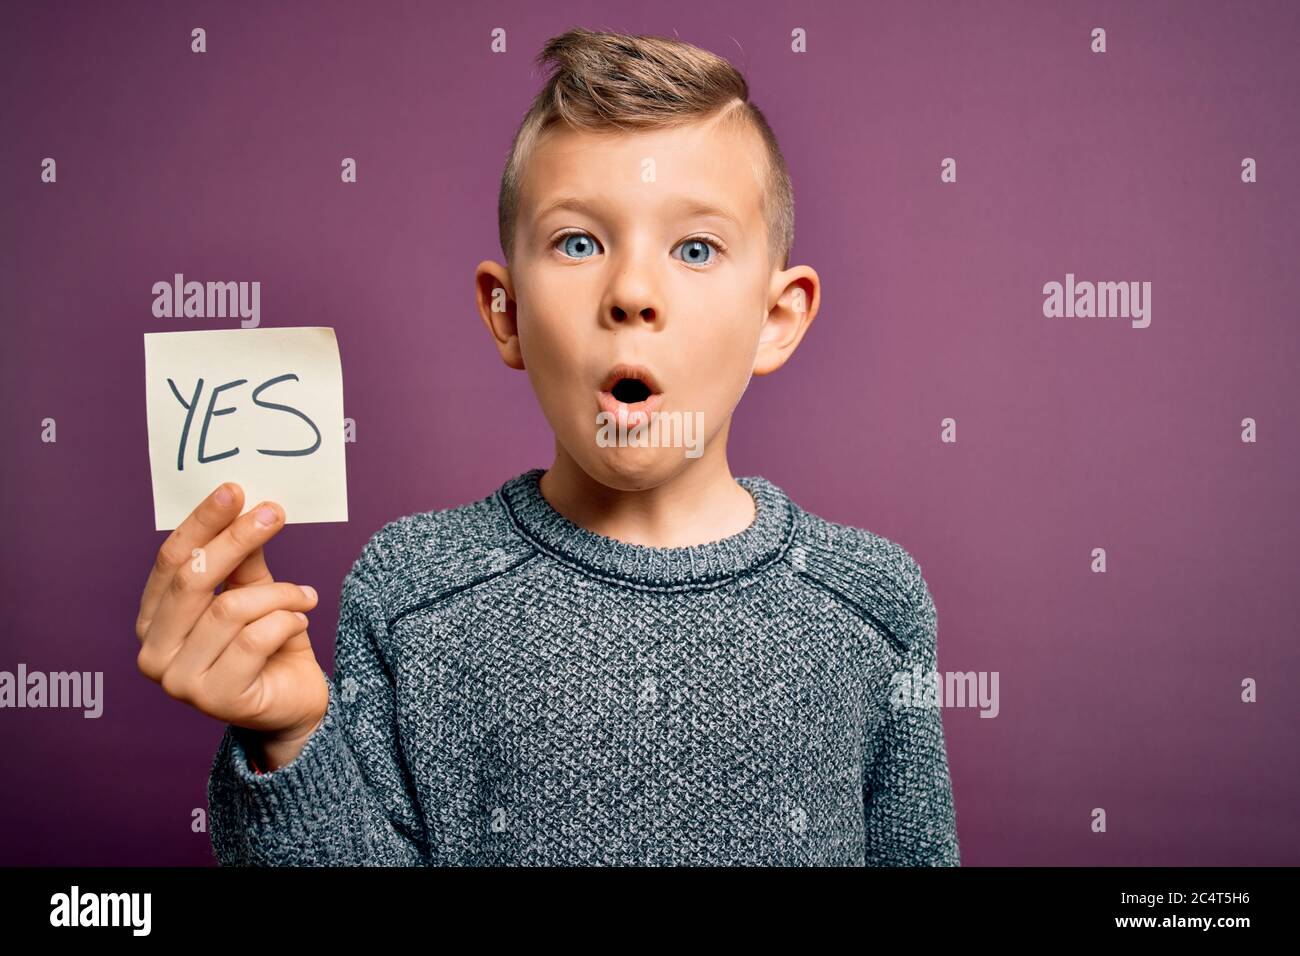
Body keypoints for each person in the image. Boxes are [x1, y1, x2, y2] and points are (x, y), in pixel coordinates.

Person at [135, 26, 960, 866]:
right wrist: (290, 738)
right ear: (508, 312)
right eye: (578, 243)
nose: (633, 292)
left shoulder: (875, 604)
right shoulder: (410, 591)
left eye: (697, 248)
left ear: (775, 318)